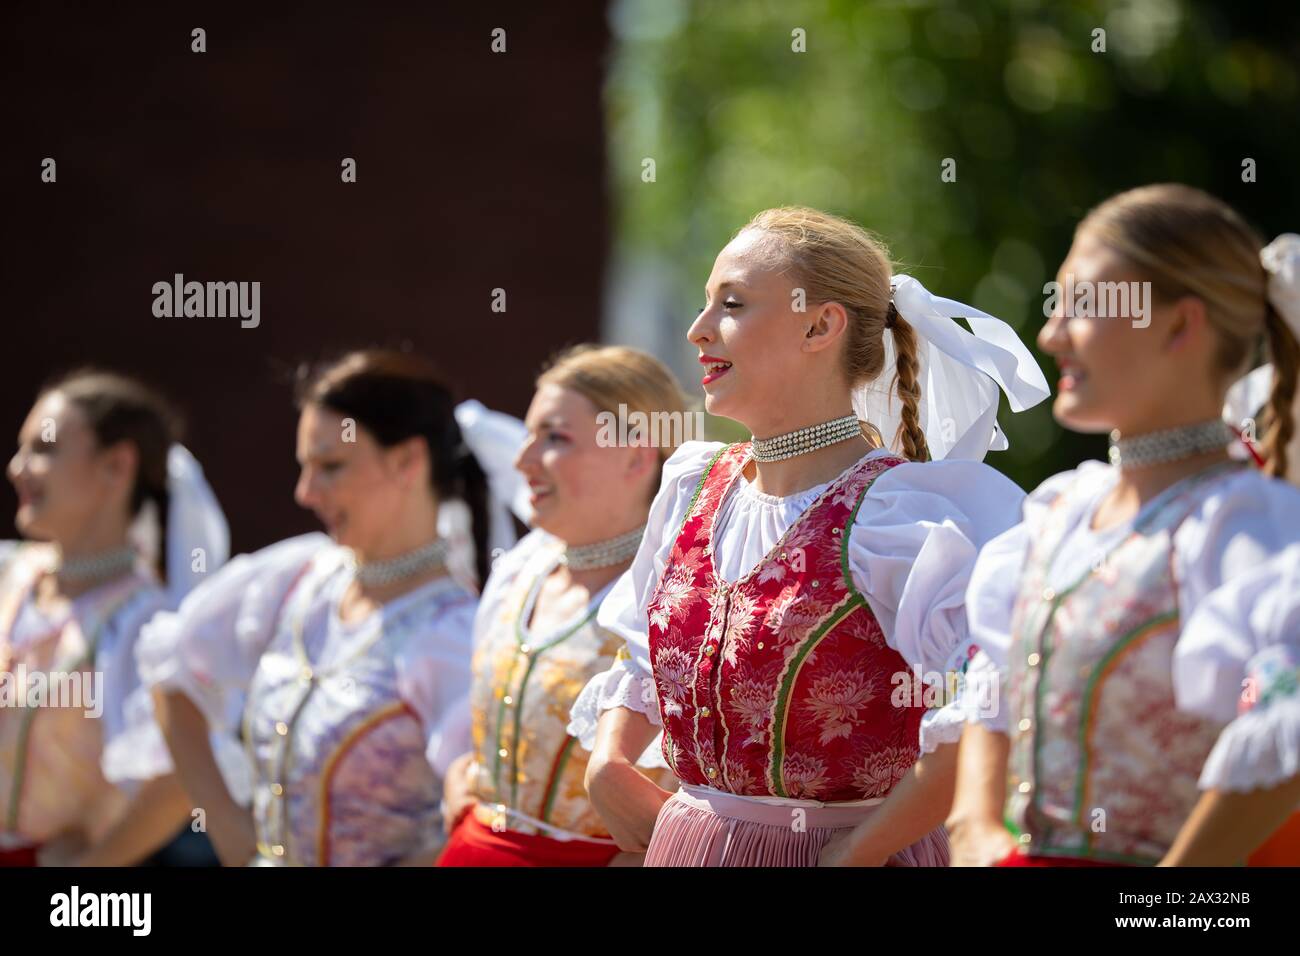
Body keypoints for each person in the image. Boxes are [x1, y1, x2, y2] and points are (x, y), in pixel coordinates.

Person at [575, 206, 1051, 866]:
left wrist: (857, 850)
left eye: (731, 304)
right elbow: (642, 654)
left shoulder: (904, 516)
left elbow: (983, 708)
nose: (698, 330)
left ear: (821, 324)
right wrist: (607, 762)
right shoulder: (692, 484)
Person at [946, 185, 1300, 867]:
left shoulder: (1240, 523)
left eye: (1081, 305)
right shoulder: (1060, 509)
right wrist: (977, 835)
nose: (1050, 334)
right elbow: (992, 680)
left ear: (1178, 325)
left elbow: (1288, 723)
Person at [108, 349, 524, 866]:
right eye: (305, 467)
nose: (305, 492)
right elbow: (173, 670)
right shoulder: (298, 578)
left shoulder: (454, 634)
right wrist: (233, 833)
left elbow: (481, 823)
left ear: (407, 462)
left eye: (331, 466)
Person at [438, 345, 682, 866]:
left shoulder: (677, 593)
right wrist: (463, 775)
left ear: (637, 455)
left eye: (554, 438)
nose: (523, 461)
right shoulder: (522, 570)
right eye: (528, 436)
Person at [1, 369, 228, 866]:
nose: (18, 468)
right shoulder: (9, 576)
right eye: (21, 449)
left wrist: (94, 865)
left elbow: (175, 779)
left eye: (44, 449)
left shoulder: (144, 621)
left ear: (117, 466)